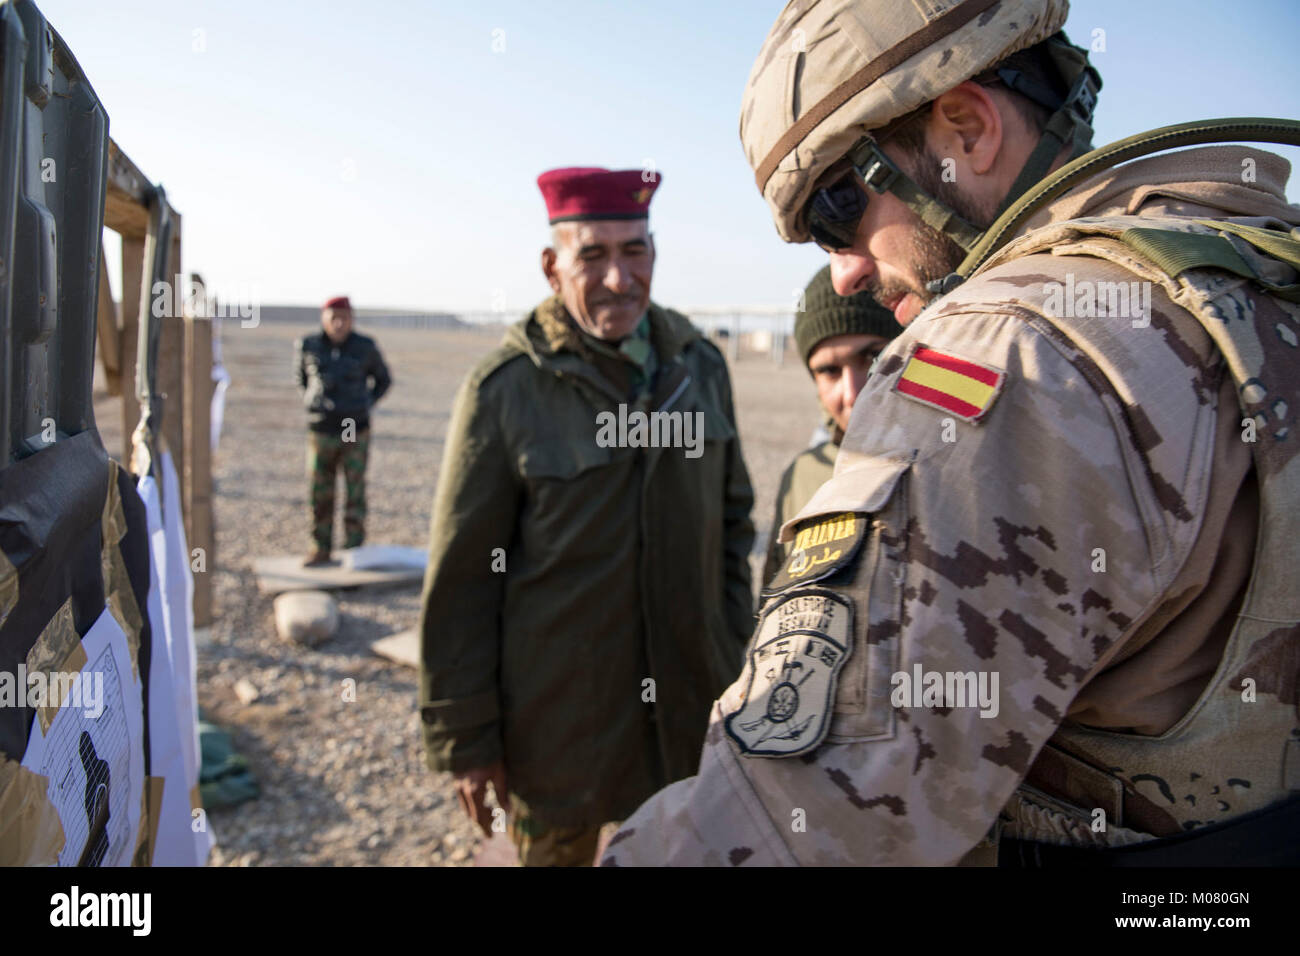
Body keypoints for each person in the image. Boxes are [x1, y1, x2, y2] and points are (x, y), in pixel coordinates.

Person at [602, 0, 1300, 866]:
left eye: (837, 207)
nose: (846, 270)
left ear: (966, 128)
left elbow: (798, 825)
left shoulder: (1012, 355)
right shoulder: (1257, 270)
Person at [417, 167, 756, 866]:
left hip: (688, 719)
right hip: (558, 731)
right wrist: (470, 742)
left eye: (634, 252)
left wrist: (734, 664)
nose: (617, 278)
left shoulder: (698, 367)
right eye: (592, 255)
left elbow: (731, 530)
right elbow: (462, 584)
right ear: (552, 266)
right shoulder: (507, 391)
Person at [762, 266, 900, 586]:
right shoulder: (802, 477)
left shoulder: (956, 467)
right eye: (830, 371)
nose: (853, 393)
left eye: (873, 358)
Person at [295, 296, 391, 566]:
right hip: (321, 429)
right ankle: (320, 547)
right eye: (333, 318)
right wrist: (312, 403)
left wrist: (364, 404)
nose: (338, 324)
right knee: (320, 491)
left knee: (354, 490)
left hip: (354, 428)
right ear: (324, 318)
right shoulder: (308, 345)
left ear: (352, 320)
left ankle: (353, 554)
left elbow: (383, 380)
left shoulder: (365, 347)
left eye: (344, 319)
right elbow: (301, 378)